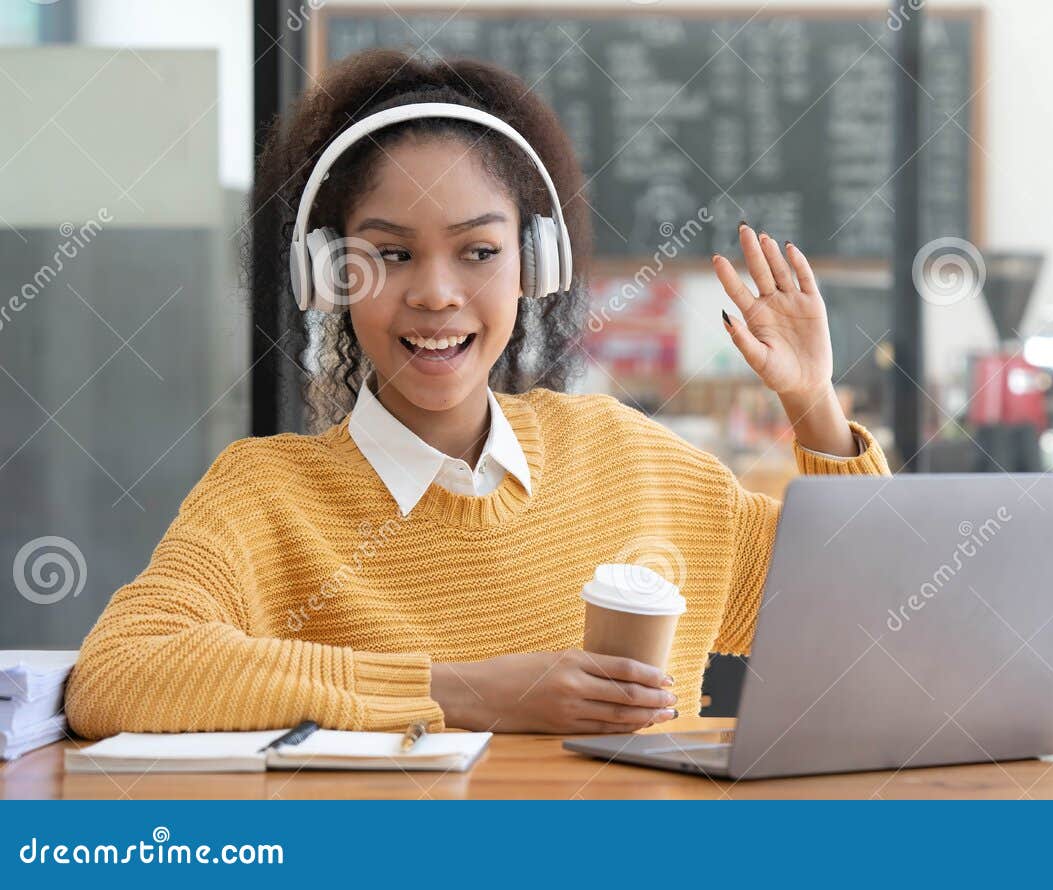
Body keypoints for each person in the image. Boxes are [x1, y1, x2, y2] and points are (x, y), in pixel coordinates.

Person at [64, 49, 889, 739]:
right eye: (389, 255)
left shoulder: (628, 460)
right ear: (328, 275)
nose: (436, 294)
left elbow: (871, 609)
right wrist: (463, 692)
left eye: (478, 252)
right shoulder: (269, 498)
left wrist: (812, 402)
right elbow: (120, 674)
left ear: (536, 262)